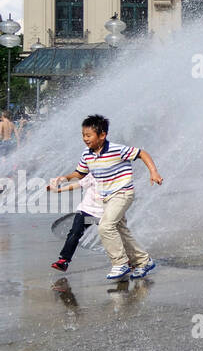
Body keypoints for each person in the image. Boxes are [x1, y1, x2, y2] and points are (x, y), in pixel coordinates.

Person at [47, 114, 163, 281]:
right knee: (121, 231)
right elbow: (80, 173)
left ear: (102, 135)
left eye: (89, 135)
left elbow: (142, 153)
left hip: (123, 193)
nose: (85, 139)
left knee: (105, 227)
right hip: (106, 198)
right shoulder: (87, 154)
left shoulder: (117, 149)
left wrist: (153, 171)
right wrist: (63, 178)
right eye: (83, 135)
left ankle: (120, 263)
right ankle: (144, 262)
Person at [49, 173, 103, 271]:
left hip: (103, 214)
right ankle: (64, 260)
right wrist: (59, 190)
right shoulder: (95, 171)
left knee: (112, 235)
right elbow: (79, 184)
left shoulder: (117, 173)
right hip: (86, 210)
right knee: (75, 232)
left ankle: (128, 259)